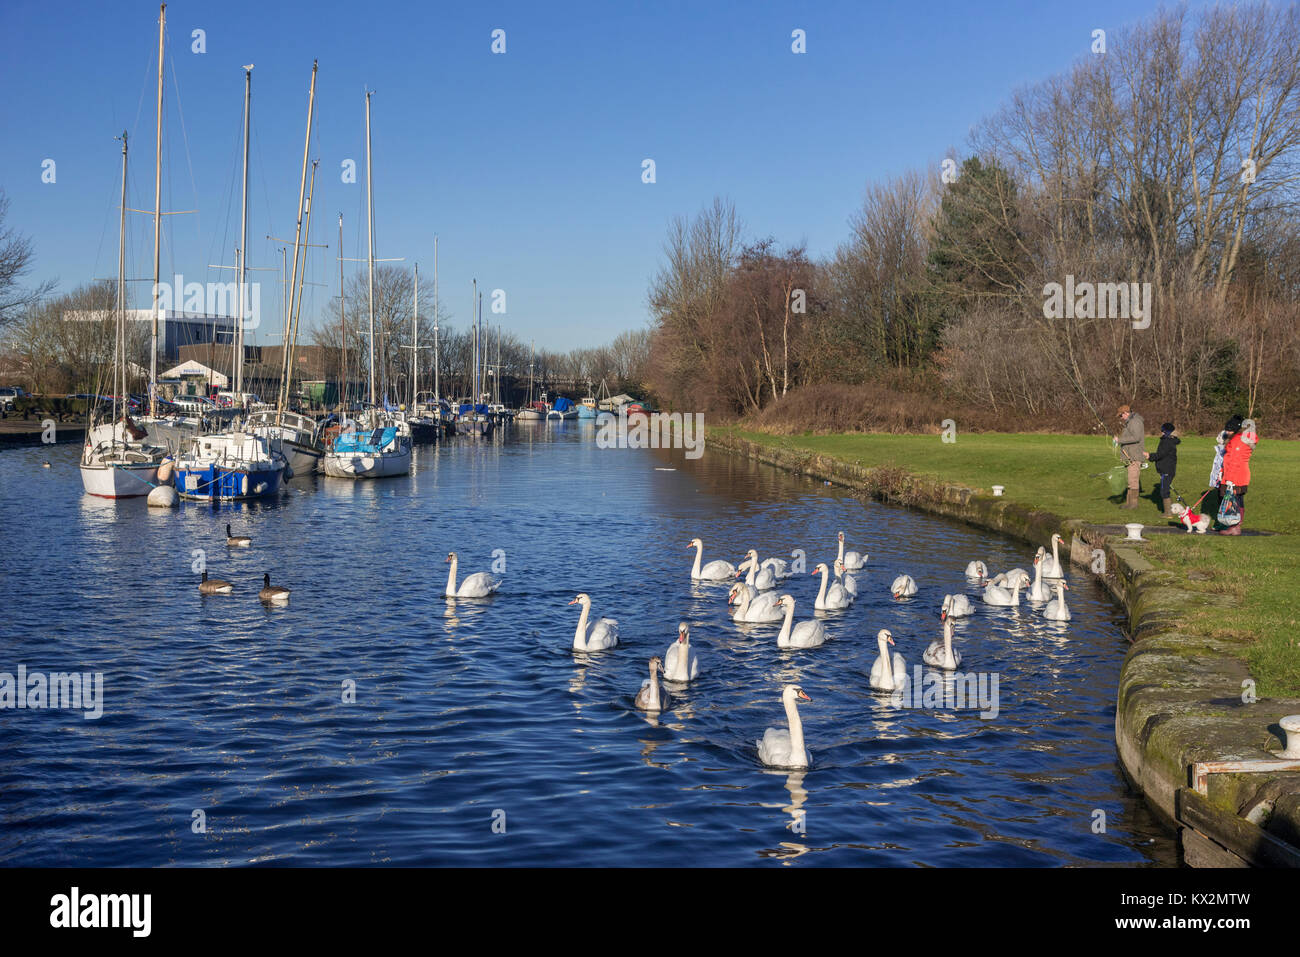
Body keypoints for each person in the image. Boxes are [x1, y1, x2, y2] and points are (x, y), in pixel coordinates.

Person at [1218, 417, 1258, 536]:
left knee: (1235, 500)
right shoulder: (1237, 439)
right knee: (1238, 499)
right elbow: (1228, 459)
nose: (1226, 432)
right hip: (1238, 475)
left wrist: (1229, 479)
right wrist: (1221, 471)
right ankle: (1235, 526)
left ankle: (1235, 527)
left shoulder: (1238, 441)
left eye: (1228, 430)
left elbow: (1235, 462)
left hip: (1236, 476)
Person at [1113, 404, 1145, 510]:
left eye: (1121, 416)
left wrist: (1120, 440)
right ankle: (1128, 503)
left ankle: (1134, 504)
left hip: (1134, 456)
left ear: (1126, 413)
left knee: (1133, 481)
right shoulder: (1130, 422)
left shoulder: (1135, 422)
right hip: (1129, 456)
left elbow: (1136, 437)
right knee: (1130, 481)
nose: (1121, 418)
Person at [1144, 422, 1178, 515]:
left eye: (1163, 431)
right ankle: (1169, 511)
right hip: (1166, 469)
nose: (1162, 433)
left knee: (1164, 491)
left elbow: (1160, 455)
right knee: (1164, 489)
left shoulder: (1167, 442)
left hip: (1167, 470)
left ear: (1167, 432)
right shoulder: (1167, 440)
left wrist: (1149, 456)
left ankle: (1168, 513)